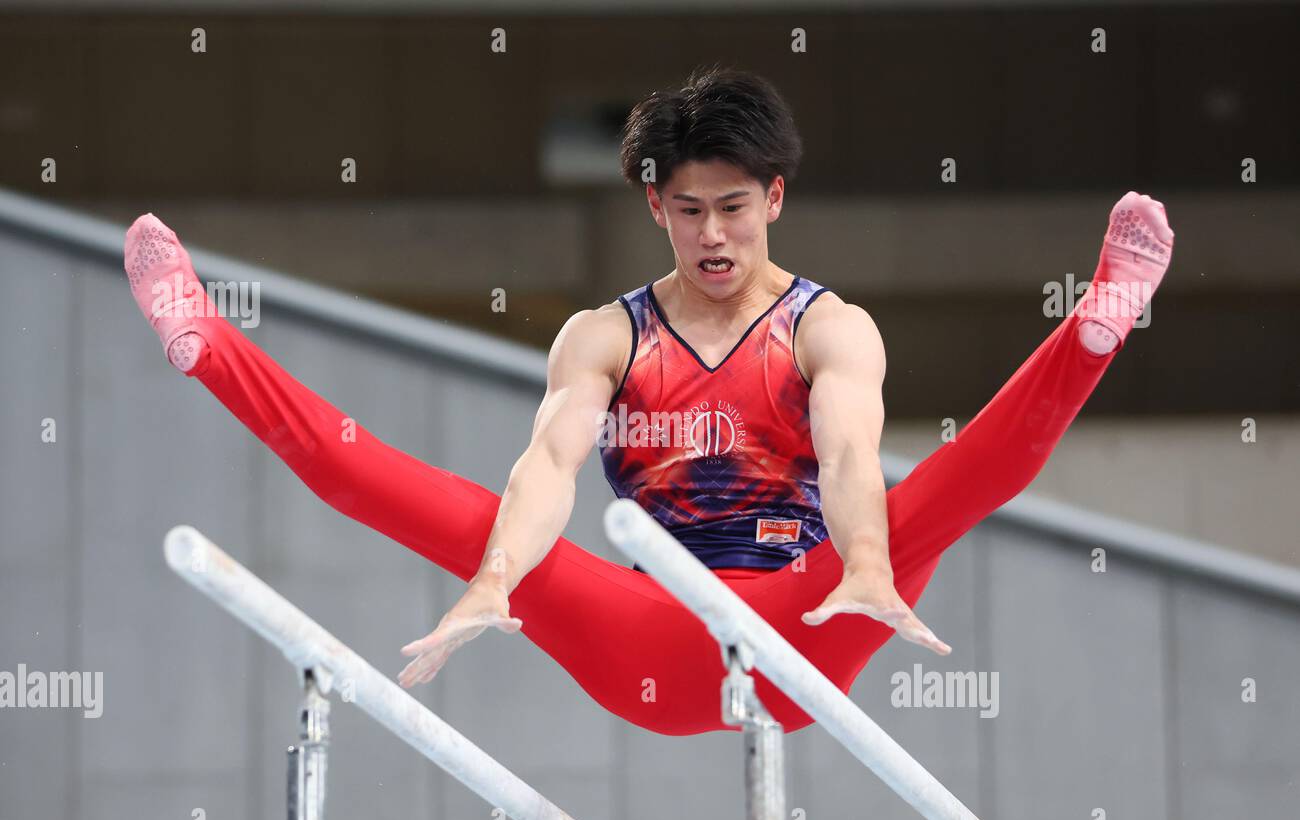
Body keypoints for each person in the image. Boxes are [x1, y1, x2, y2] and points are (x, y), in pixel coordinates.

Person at [123, 66, 1173, 736]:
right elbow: (547, 468)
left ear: (774, 198)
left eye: (732, 209)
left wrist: (863, 564)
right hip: (647, 642)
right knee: (439, 504)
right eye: (686, 212)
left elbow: (851, 456)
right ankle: (205, 340)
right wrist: (496, 578)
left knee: (927, 496)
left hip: (807, 619)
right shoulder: (605, 337)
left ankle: (1092, 328)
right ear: (651, 205)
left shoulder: (828, 328)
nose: (712, 236)